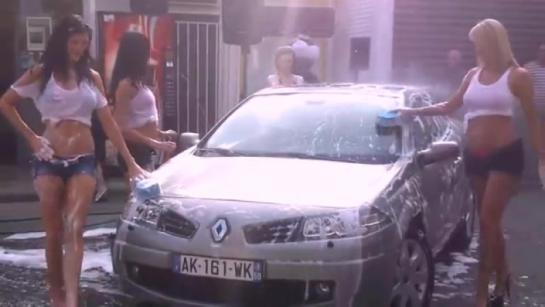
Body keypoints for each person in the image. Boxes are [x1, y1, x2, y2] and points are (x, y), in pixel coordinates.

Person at [395, 19, 545, 307]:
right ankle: (504, 276)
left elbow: (531, 117)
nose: (475, 48)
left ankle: (482, 290)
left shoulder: (518, 76)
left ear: (492, 42)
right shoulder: (472, 75)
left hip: (505, 155)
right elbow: (450, 106)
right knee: (491, 225)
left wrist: (542, 154)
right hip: (475, 155)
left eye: (478, 42)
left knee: (488, 220)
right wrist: (413, 111)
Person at [0, 15, 145, 307]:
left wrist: (130, 162)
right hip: (48, 158)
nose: (79, 49)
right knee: (53, 233)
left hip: (84, 161)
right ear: (62, 42)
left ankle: (72, 300)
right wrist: (31, 137)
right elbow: (5, 102)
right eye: (74, 42)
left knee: (76, 227)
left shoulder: (92, 78)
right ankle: (56, 294)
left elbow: (109, 123)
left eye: (83, 44)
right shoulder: (41, 74)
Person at [110, 31, 176, 188]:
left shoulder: (138, 83)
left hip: (147, 150)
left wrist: (160, 134)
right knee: (143, 200)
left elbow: (141, 118)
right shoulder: (126, 85)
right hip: (135, 150)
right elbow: (120, 128)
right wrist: (154, 142)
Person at [524, 43, 545, 188]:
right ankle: (531, 176)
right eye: (542, 51)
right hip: (535, 113)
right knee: (535, 145)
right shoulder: (529, 68)